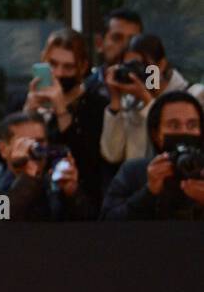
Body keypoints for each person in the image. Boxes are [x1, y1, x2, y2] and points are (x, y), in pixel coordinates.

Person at [19, 28, 108, 207]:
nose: (58, 73)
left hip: (78, 199)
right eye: (53, 64)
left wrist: (61, 109)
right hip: (33, 197)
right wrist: (29, 112)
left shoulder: (97, 104)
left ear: (82, 67)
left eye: (68, 67)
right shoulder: (24, 98)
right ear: (43, 59)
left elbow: (85, 159)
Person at [100, 33, 204, 169]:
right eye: (130, 66)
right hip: (138, 184)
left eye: (143, 65)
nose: (137, 72)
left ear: (161, 64)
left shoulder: (194, 96)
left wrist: (147, 99)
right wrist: (115, 101)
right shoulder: (130, 103)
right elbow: (112, 155)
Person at [0, 112, 94, 222]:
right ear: (3, 149)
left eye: (40, 141)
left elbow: (89, 224)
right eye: (25, 142)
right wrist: (28, 177)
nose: (35, 148)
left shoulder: (55, 182)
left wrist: (72, 194)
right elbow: (1, 218)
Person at [101, 91, 204, 220]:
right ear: (156, 134)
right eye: (174, 125)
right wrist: (148, 192)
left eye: (192, 125)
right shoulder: (134, 171)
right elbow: (106, 224)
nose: (184, 131)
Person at [84, 7, 143, 93]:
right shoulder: (86, 89)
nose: (126, 45)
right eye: (117, 38)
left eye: (133, 40)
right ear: (99, 44)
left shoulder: (151, 83)